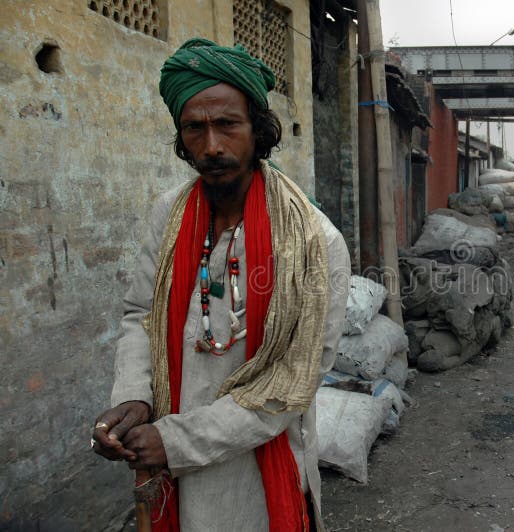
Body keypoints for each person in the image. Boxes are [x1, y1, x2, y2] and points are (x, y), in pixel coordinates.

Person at [91, 38, 350, 531]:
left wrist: (176, 441)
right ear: (181, 136)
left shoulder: (316, 242)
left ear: (258, 129)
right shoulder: (169, 216)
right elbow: (140, 317)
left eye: (227, 125)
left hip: (257, 473)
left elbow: (290, 385)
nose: (211, 146)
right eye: (195, 128)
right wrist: (133, 398)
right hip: (170, 471)